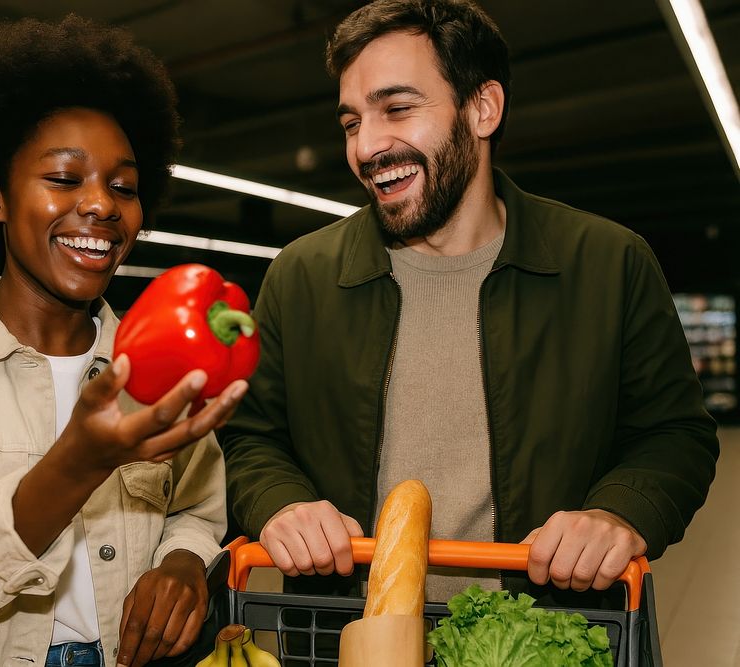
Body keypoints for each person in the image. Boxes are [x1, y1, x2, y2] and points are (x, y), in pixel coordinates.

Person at [220, 0, 719, 607]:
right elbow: (251, 438)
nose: (367, 146)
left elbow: (674, 436)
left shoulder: (608, 264)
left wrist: (620, 512)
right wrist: (281, 503)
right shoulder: (302, 277)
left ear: (483, 109)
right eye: (352, 122)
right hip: (346, 633)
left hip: (541, 636)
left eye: (397, 109)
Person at [0, 14, 247, 667]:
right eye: (64, 178)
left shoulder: (160, 359)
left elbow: (198, 505)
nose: (103, 205)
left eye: (124, 187)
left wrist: (183, 561)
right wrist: (77, 465)